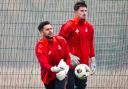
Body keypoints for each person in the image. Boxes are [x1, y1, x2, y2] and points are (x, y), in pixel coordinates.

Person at [59, 1, 96, 89]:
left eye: (86, 11)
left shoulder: (90, 27)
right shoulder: (69, 25)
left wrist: (93, 60)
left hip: (83, 65)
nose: (84, 13)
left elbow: (91, 45)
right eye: (81, 11)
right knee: (70, 86)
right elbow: (60, 42)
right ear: (75, 12)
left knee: (82, 87)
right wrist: (70, 56)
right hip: (70, 64)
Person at [35, 21, 70, 89]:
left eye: (51, 28)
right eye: (47, 30)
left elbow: (68, 57)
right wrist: (53, 69)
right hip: (48, 76)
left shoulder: (61, 40)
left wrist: (65, 70)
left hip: (61, 74)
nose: (50, 31)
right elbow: (44, 63)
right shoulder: (40, 46)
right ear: (41, 32)